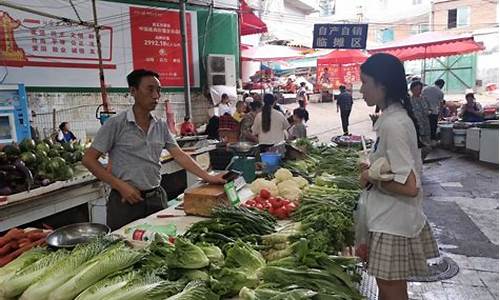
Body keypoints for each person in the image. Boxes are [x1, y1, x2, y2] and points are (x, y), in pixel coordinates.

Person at [82, 69, 225, 230]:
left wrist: (207, 177)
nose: (156, 96)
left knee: (160, 246)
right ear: (133, 91)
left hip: (156, 198)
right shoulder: (116, 124)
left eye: (158, 90)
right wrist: (120, 186)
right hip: (125, 201)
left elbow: (179, 154)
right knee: (125, 248)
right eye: (150, 89)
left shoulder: (160, 125)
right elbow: (89, 159)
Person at [358, 53, 439, 300]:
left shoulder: (394, 124)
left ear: (382, 85)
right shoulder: (393, 118)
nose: (361, 90)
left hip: (392, 221)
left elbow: (410, 186)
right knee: (389, 288)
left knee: (391, 289)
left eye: (365, 83)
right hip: (390, 218)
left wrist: (372, 177)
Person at [409, 81, 431, 150]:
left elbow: (428, 109)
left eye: (420, 89)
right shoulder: (409, 101)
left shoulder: (424, 99)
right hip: (415, 125)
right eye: (416, 89)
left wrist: (429, 111)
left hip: (425, 124)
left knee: (427, 144)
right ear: (411, 90)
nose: (418, 91)